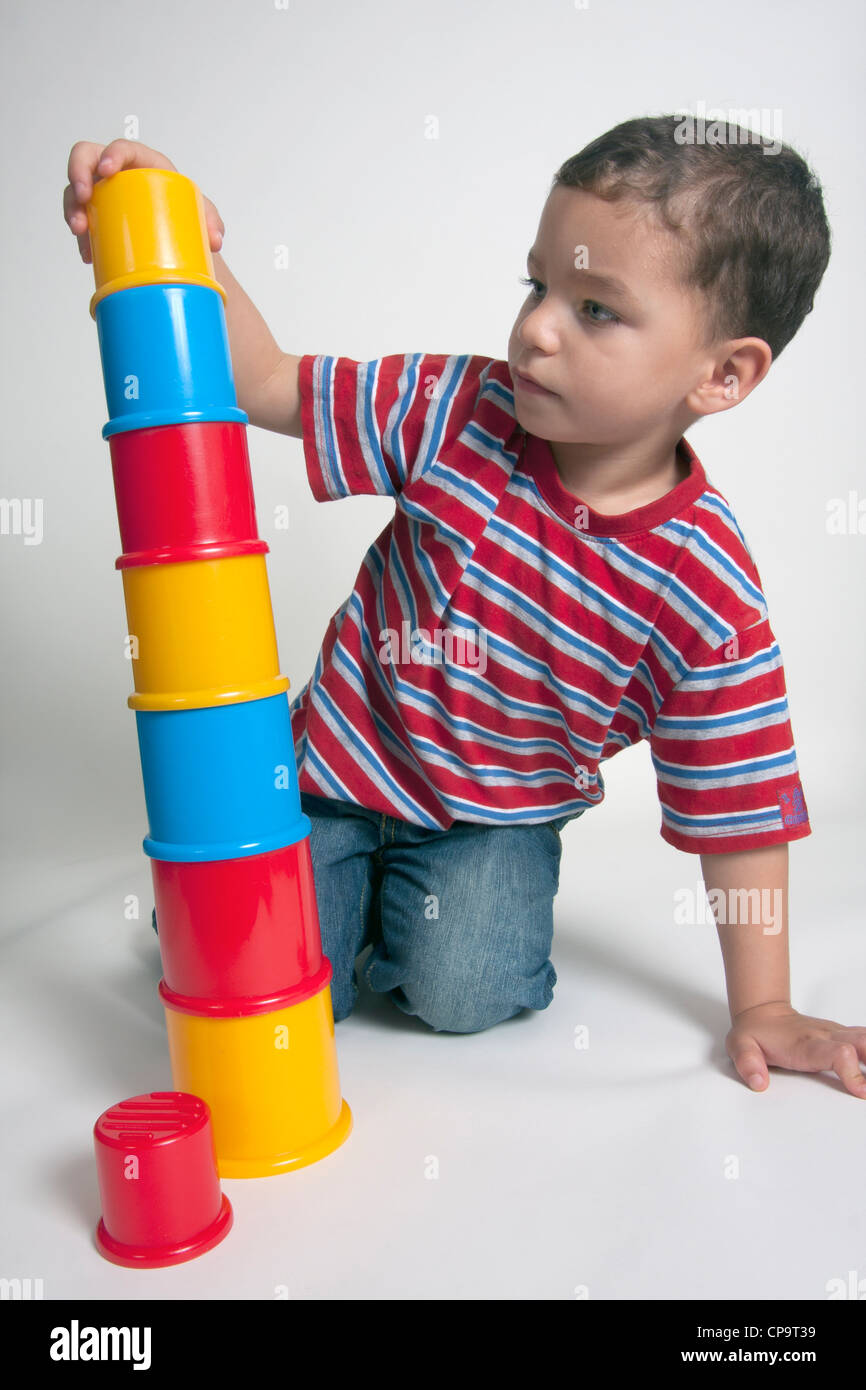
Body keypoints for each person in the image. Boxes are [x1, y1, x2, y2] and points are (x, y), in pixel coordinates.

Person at [64, 117, 866, 1096]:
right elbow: (266, 382)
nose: (536, 327)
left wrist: (763, 1009)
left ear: (721, 374)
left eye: (595, 309)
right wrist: (176, 247)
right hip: (335, 771)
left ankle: (377, 912)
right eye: (536, 285)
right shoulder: (451, 410)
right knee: (242, 967)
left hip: (493, 819)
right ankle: (327, 897)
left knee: (463, 991)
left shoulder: (701, 589)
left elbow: (740, 808)